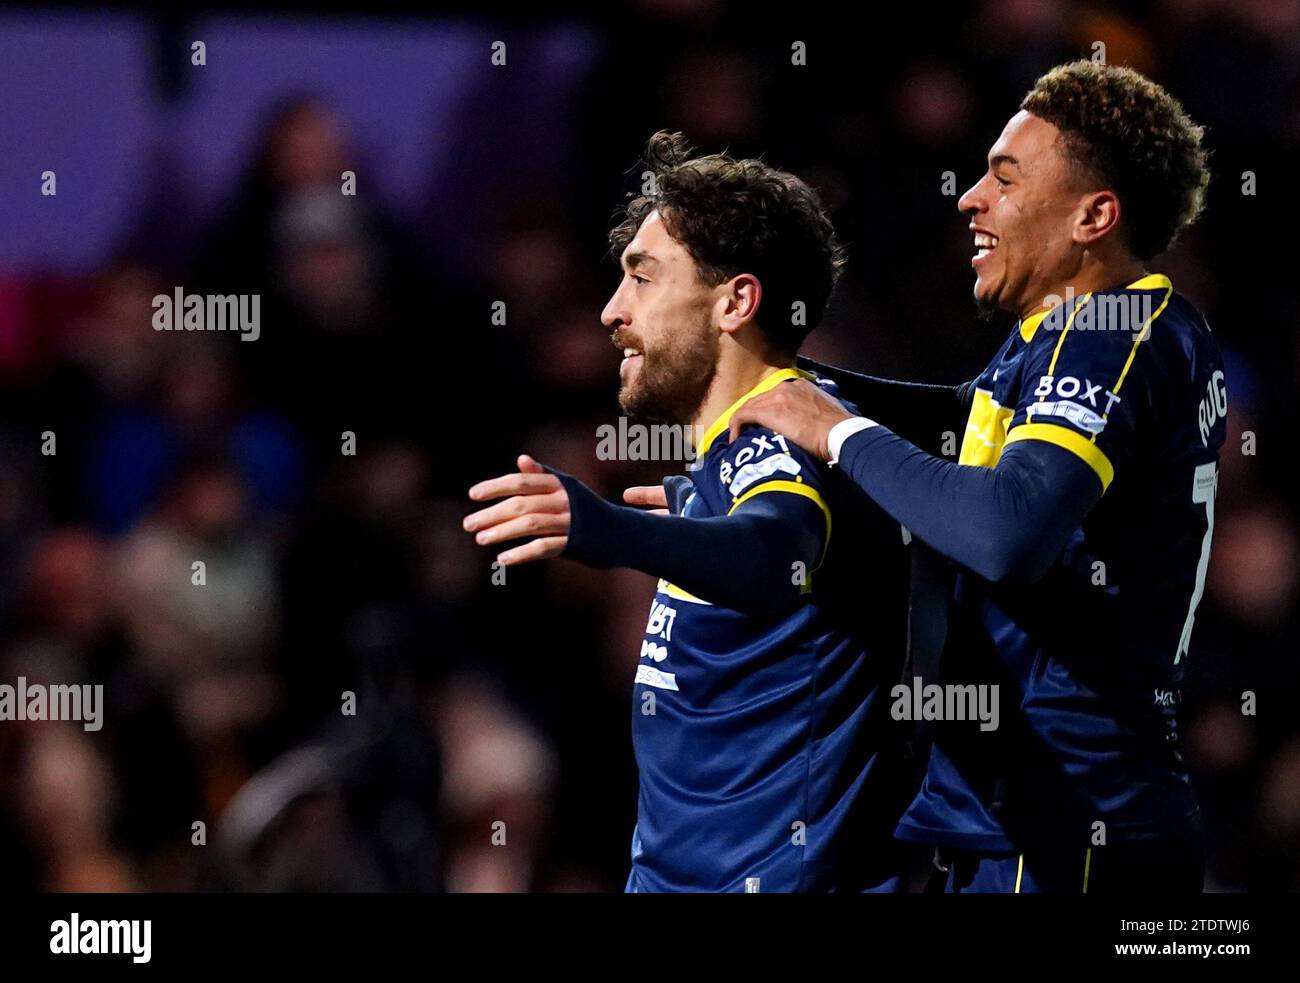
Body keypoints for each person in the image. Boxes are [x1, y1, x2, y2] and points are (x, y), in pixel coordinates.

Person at [725, 61, 1223, 893]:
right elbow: (962, 423)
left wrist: (831, 424)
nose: (970, 198)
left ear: (1094, 216)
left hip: (1068, 821)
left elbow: (1005, 531)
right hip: (1030, 813)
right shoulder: (1077, 333)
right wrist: (780, 383)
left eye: (1005, 177)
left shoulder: (1110, 329)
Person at [463, 132, 913, 892]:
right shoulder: (728, 465)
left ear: (736, 300)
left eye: (643, 278)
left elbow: (780, 553)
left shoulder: (778, 442)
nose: (612, 311)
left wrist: (605, 528)